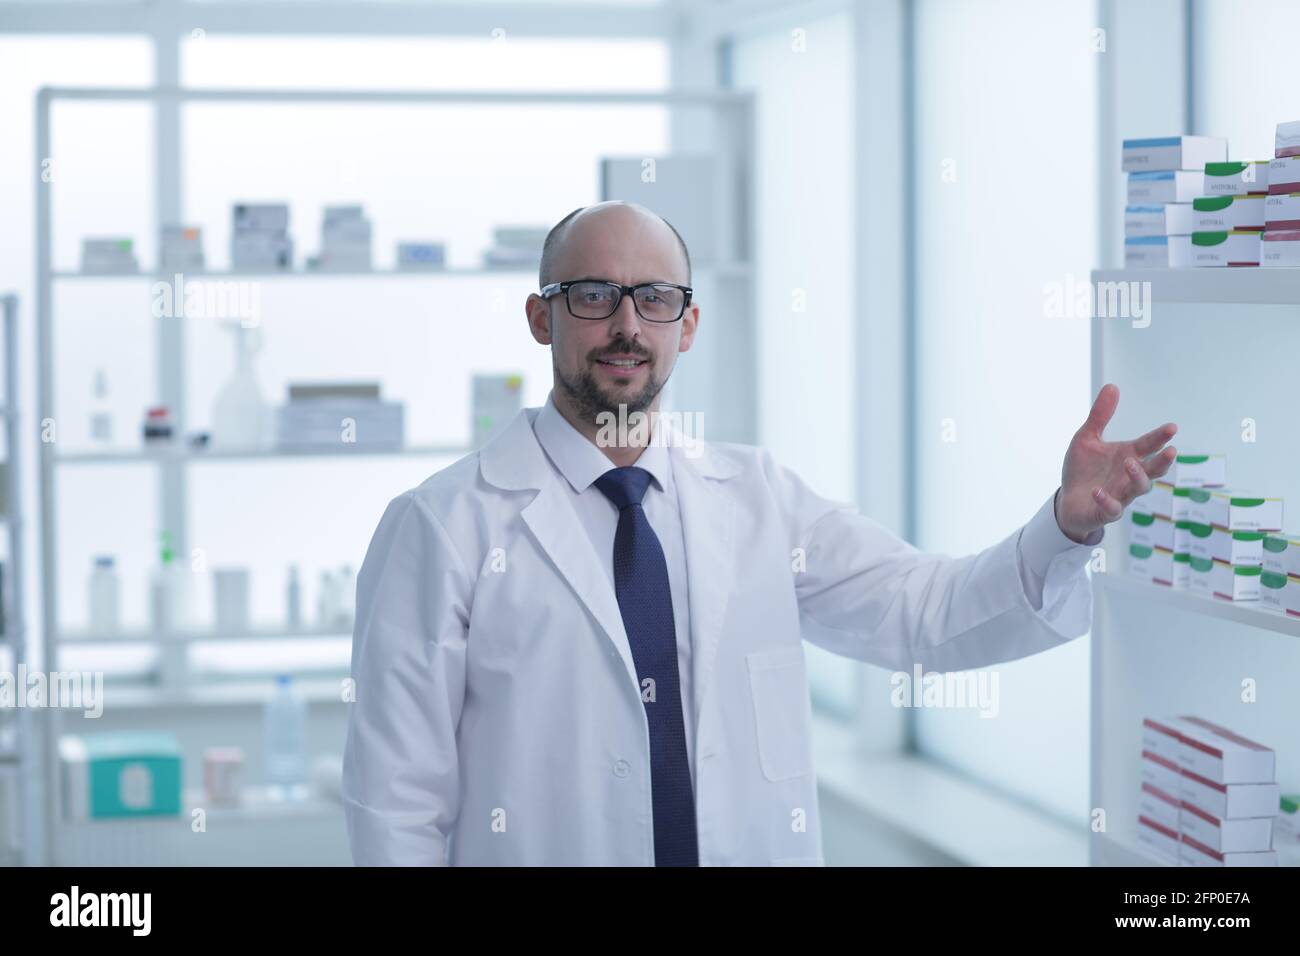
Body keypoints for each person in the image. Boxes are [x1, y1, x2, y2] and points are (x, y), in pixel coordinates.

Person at [341, 200, 1177, 866]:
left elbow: (925, 612)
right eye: (593, 296)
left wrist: (1063, 529)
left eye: (655, 299)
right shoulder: (443, 526)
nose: (626, 325)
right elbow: (397, 804)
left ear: (688, 325)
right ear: (539, 316)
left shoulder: (756, 498)